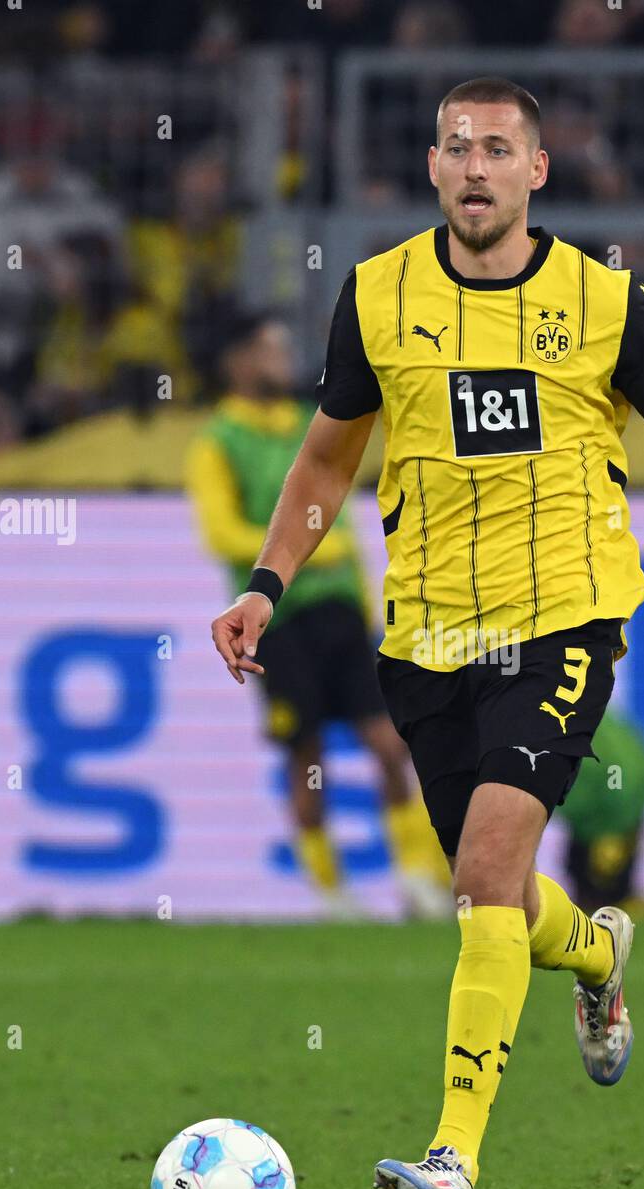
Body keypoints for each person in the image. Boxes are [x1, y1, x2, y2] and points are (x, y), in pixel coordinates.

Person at [209, 78, 644, 1189]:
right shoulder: (378, 297)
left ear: (538, 171)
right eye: (453, 148)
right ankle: (594, 947)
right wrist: (265, 583)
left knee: (486, 865)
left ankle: (455, 1157)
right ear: (431, 170)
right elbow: (328, 464)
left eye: (497, 148)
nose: (473, 166)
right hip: (427, 639)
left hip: (563, 623)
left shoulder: (606, 300)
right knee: (493, 893)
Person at [189, 310, 448, 919]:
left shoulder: (309, 425)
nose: (282, 358)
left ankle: (414, 880)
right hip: (278, 620)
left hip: (338, 613)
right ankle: (331, 894)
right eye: (268, 347)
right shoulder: (217, 442)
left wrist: (366, 601)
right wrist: (311, 552)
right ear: (238, 361)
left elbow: (342, 524)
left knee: (389, 744)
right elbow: (220, 532)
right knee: (306, 756)